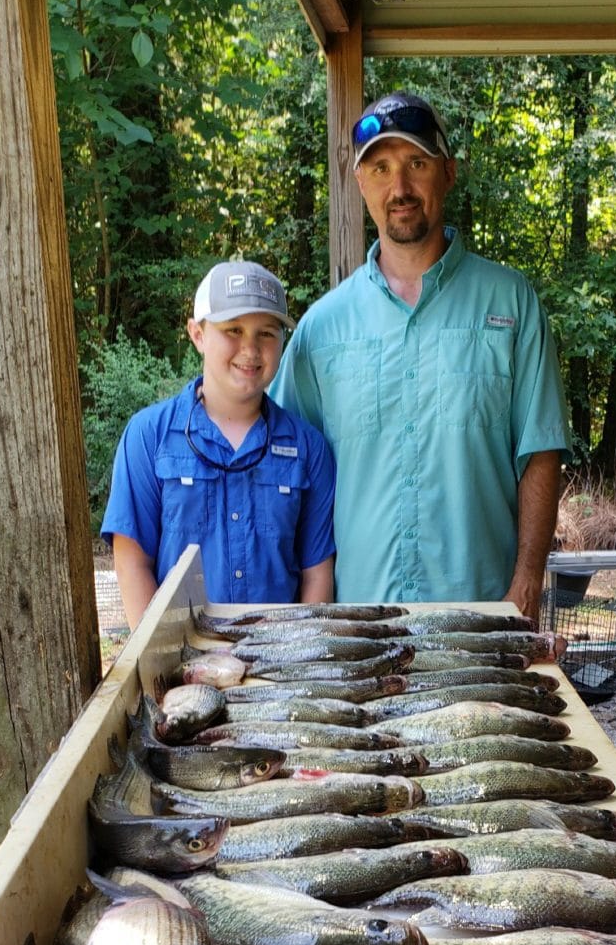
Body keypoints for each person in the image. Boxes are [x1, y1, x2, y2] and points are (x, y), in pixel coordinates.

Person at [272, 92, 572, 623]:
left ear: (448, 173)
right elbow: (282, 464)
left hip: (482, 613)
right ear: (360, 183)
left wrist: (527, 581)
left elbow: (540, 452)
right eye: (381, 168)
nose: (400, 188)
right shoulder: (322, 327)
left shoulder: (510, 303)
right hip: (359, 624)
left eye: (416, 163)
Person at [102, 260, 336, 628]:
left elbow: (316, 573)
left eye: (267, 333)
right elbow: (132, 562)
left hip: (278, 663)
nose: (251, 349)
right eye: (233, 329)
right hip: (184, 663)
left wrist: (300, 658)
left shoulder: (310, 449)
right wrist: (159, 659)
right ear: (197, 334)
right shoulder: (148, 436)